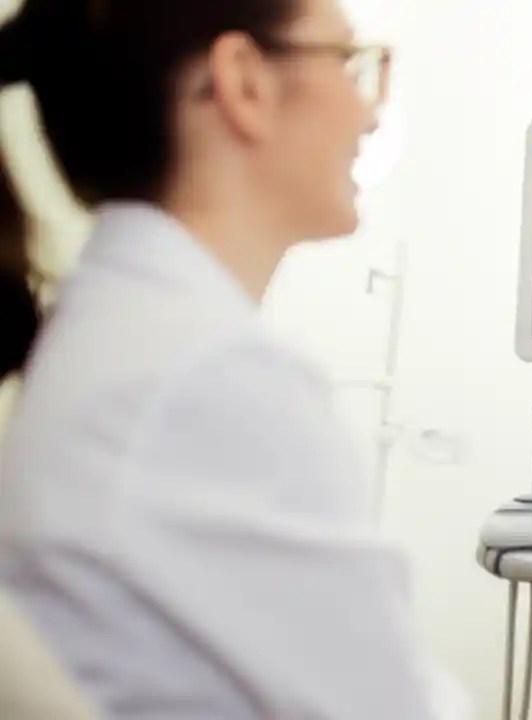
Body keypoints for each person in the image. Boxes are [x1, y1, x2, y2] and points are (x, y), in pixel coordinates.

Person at [0, 0, 468, 717]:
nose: (370, 113)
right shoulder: (205, 375)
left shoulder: (125, 334)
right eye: (348, 62)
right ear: (244, 82)